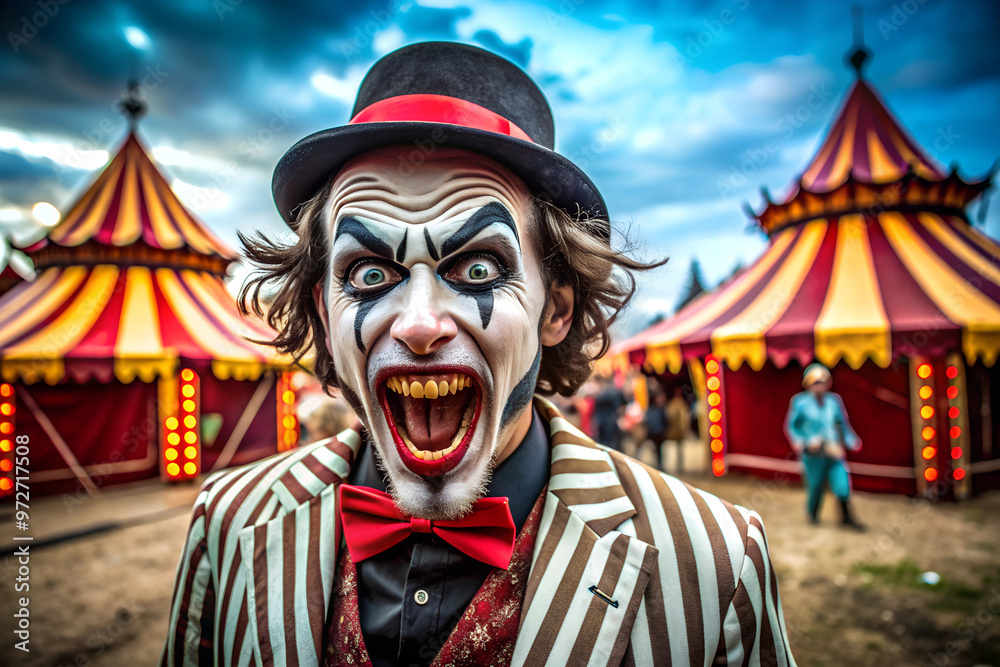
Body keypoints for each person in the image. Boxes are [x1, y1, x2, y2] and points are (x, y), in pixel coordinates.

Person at [161, 42, 795, 666]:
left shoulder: (716, 562)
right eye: (369, 274)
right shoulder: (227, 524)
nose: (419, 324)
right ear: (326, 319)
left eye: (480, 265)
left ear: (556, 310)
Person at [784, 362, 864, 529]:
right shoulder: (799, 402)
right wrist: (802, 442)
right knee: (816, 487)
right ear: (808, 383)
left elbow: (842, 424)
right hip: (813, 454)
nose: (819, 386)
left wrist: (851, 440)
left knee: (842, 483)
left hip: (833, 451)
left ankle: (846, 517)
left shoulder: (834, 401)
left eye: (823, 381)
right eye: (815, 382)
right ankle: (812, 513)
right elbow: (791, 427)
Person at [665, 386, 691, 474]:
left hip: (677, 430)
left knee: (678, 450)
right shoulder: (679, 404)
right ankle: (677, 467)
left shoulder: (675, 404)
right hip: (677, 430)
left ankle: (678, 467)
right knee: (677, 450)